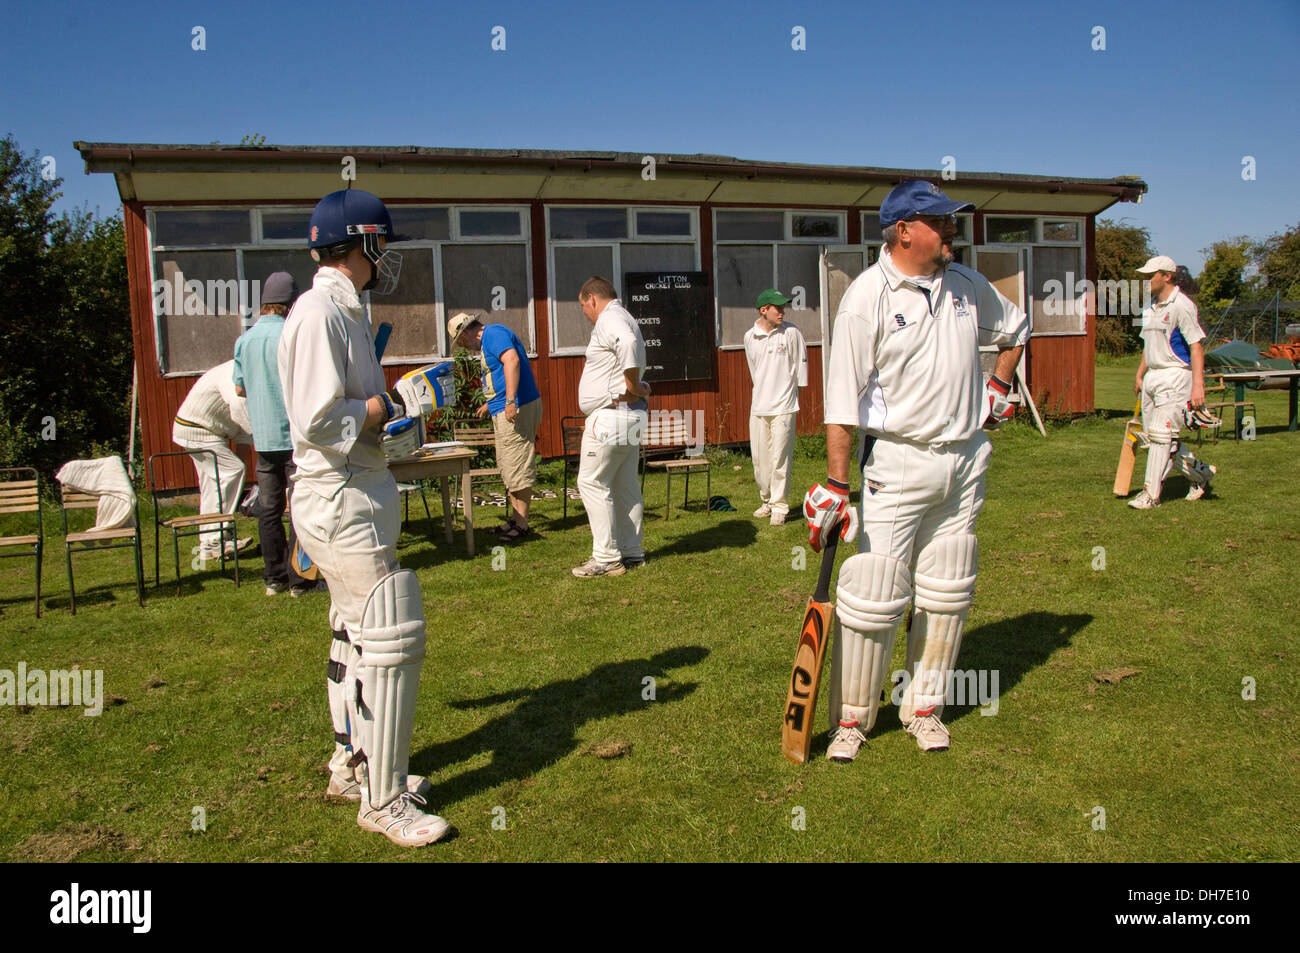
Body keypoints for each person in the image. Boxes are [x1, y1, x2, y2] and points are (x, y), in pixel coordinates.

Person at [805, 180, 1029, 759]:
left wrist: (999, 387)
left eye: (954, 221)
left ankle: (923, 707)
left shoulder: (965, 284)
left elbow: (1015, 329)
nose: (954, 230)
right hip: (896, 462)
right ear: (904, 230)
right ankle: (853, 721)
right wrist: (835, 484)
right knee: (875, 592)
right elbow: (839, 403)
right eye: (942, 222)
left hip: (965, 458)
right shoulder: (867, 297)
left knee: (947, 589)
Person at [278, 187, 452, 846]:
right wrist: (388, 402)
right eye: (381, 243)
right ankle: (383, 801)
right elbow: (321, 421)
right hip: (340, 499)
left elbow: (349, 418)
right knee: (389, 636)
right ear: (360, 244)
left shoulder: (341, 310)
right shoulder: (319, 313)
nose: (386, 257)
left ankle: (351, 766)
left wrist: (397, 420)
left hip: (352, 492)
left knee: (353, 638)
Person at [233, 272, 314, 596]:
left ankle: (274, 579)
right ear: (290, 303)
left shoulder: (246, 340)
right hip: (294, 436)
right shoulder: (292, 334)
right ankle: (301, 580)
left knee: (268, 508)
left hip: (263, 438)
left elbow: (240, 388)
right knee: (301, 508)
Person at [572, 276, 650, 577]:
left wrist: (632, 384)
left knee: (591, 483)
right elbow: (629, 344)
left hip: (611, 414)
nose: (585, 313)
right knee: (624, 484)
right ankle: (631, 551)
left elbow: (626, 344)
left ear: (592, 298)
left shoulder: (609, 318)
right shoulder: (627, 316)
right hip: (629, 414)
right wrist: (635, 386)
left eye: (583, 306)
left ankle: (607, 558)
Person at [1129, 254, 1217, 509]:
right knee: (1153, 439)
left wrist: (1198, 386)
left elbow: (1196, 346)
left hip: (1176, 375)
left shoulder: (1183, 305)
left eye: (1150, 276)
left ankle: (1151, 496)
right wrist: (1140, 373)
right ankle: (1200, 474)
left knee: (1161, 436)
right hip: (1153, 377)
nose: (1146, 281)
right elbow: (1149, 344)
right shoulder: (1149, 307)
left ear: (1167, 276)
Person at [447, 311, 543, 541]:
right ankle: (516, 519)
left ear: (468, 332)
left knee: (517, 463)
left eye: (461, 342)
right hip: (503, 406)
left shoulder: (493, 334)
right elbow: (500, 374)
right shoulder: (490, 339)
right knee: (508, 464)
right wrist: (491, 404)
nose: (464, 347)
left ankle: (522, 524)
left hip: (516, 406)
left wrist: (510, 400)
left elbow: (512, 361)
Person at [171, 359, 254, 561]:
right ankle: (217, 538)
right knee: (231, 471)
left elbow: (243, 433)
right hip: (197, 429)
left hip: (202, 430)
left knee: (212, 484)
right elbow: (238, 406)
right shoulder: (233, 371)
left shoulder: (244, 372)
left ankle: (208, 544)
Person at [744, 288, 808, 526]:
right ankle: (766, 500)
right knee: (760, 461)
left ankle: (780, 506)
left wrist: (793, 395)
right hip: (759, 406)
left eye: (783, 307)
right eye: (777, 308)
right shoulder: (749, 337)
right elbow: (755, 371)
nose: (782, 312)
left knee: (780, 457)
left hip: (784, 406)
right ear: (764, 310)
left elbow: (800, 367)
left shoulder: (791, 332)